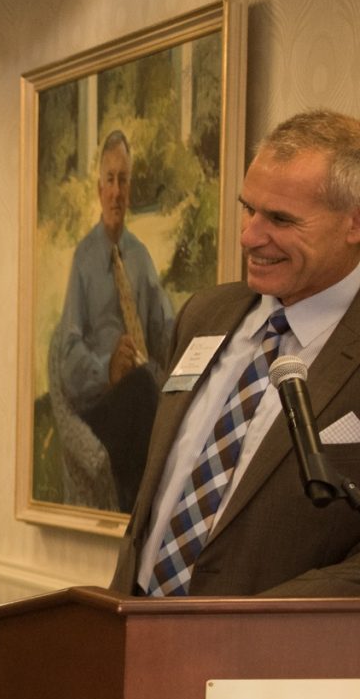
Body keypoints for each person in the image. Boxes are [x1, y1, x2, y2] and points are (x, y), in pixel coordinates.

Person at [111, 109, 360, 597]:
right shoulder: (205, 314)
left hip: (265, 657)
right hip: (133, 629)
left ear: (354, 224)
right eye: (249, 209)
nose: (250, 236)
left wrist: (243, 625)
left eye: (281, 220)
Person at [48, 129, 174, 511]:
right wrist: (108, 371)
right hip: (100, 405)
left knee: (149, 387)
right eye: (109, 180)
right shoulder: (84, 260)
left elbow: (165, 329)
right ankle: (142, 513)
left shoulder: (140, 258)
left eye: (124, 180)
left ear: (130, 187)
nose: (117, 192)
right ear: (98, 188)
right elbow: (67, 356)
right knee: (139, 388)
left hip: (140, 395)